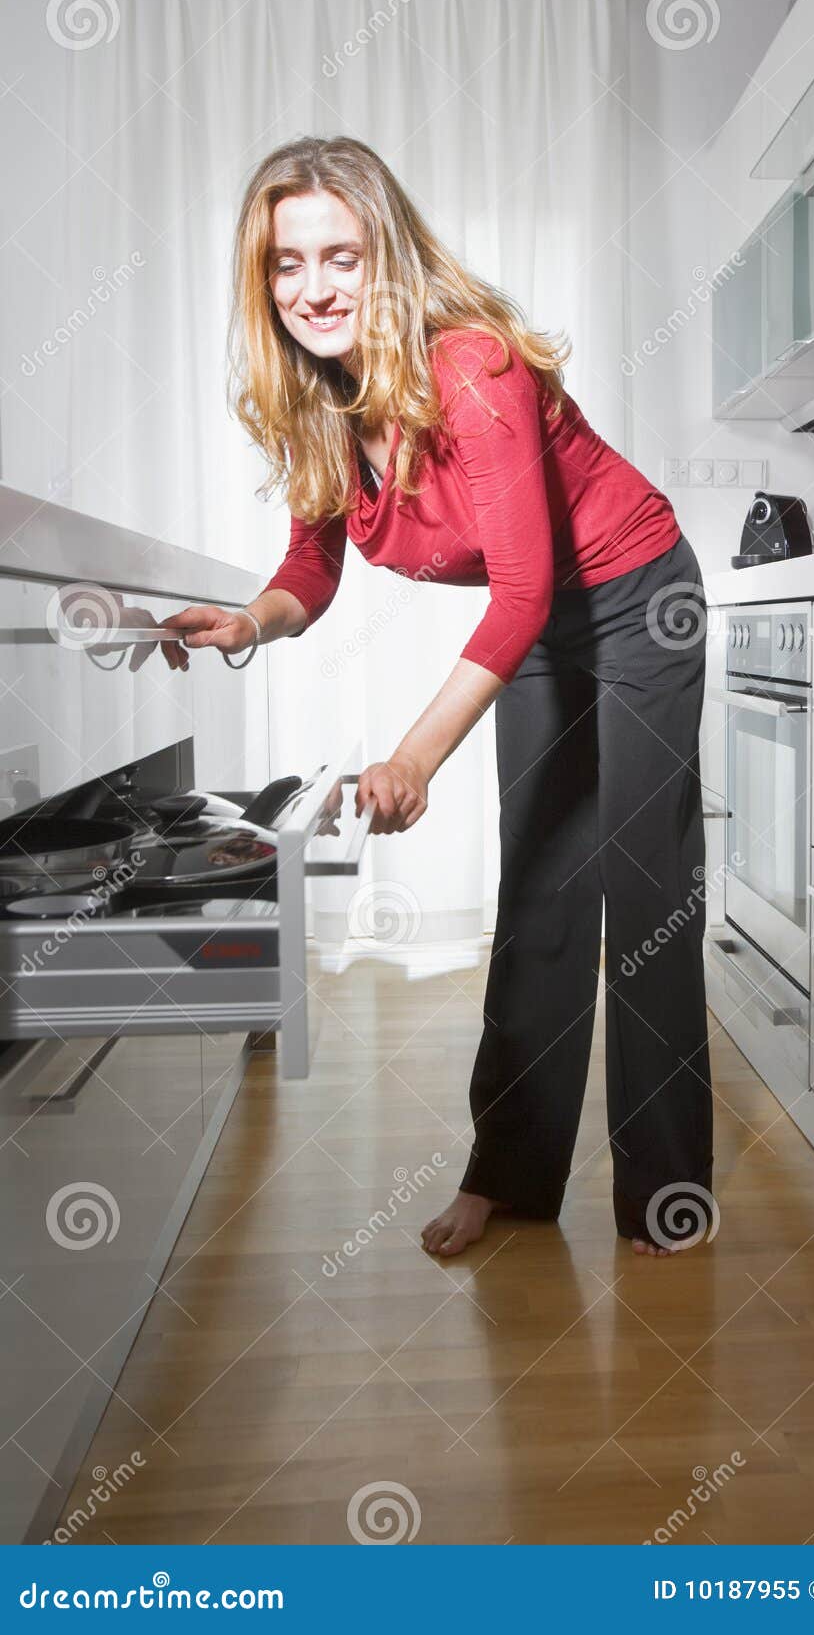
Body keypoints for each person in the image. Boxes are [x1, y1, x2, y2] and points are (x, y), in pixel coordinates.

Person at [164, 136, 713, 1258]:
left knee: (641, 883)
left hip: (635, 593)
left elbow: (516, 593)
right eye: (285, 264)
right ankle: (509, 1177)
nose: (312, 287)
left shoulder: (471, 369)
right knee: (544, 881)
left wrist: (412, 755)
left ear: (388, 258)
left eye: (341, 256)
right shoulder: (318, 398)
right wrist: (247, 622)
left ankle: (665, 1196)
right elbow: (310, 569)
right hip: (543, 619)